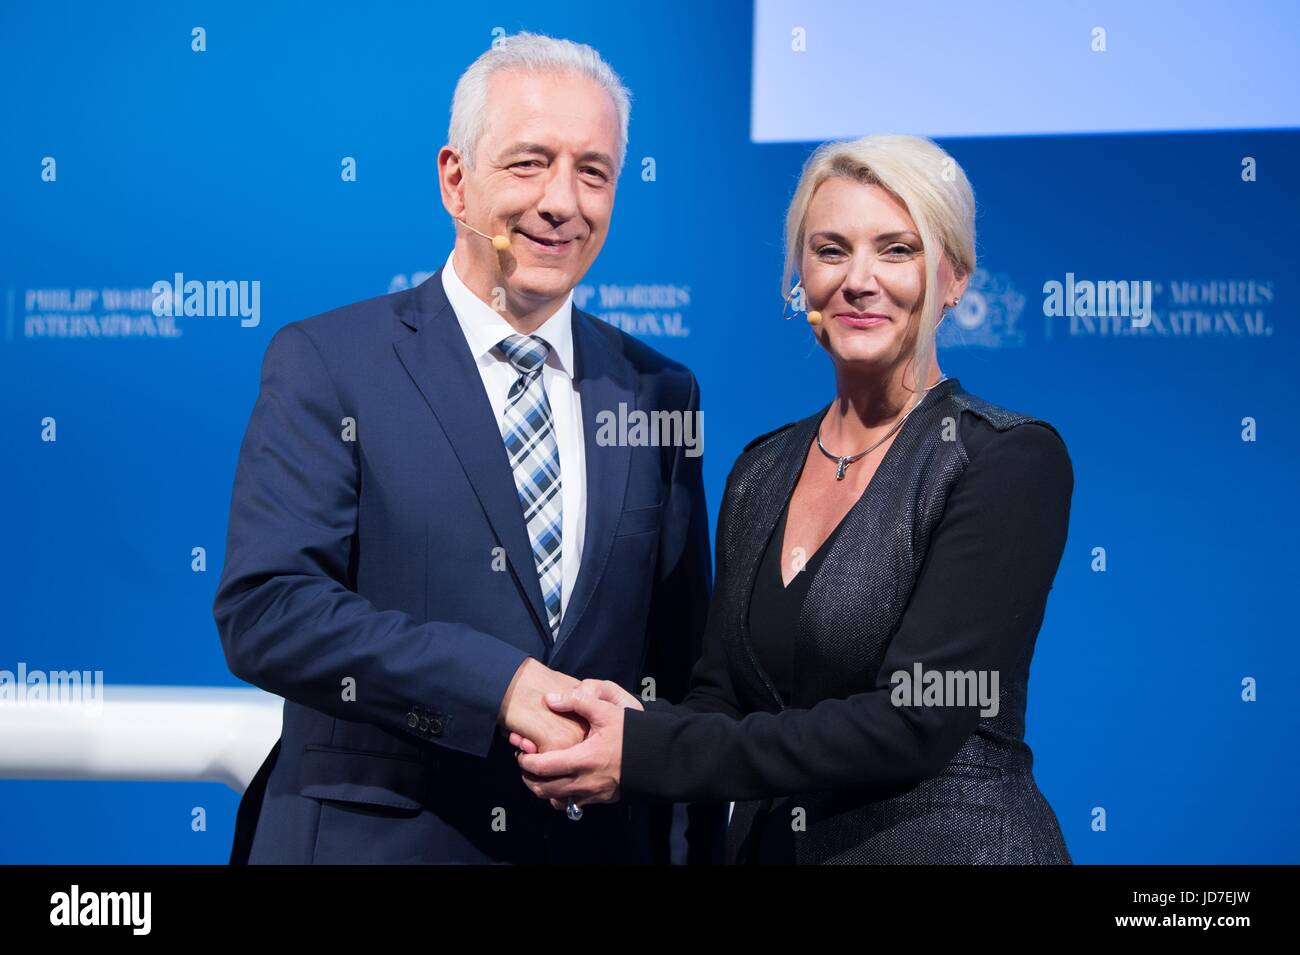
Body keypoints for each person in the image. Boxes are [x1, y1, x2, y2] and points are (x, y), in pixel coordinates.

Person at [213, 32, 723, 864]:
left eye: (592, 171)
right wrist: (500, 685)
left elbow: (681, 662)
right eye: (530, 163)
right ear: (456, 178)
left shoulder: (658, 390)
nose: (563, 200)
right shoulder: (329, 362)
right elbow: (267, 610)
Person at [513, 134, 1075, 864]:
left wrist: (654, 749)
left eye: (897, 250)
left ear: (957, 276)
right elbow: (719, 698)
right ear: (799, 278)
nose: (859, 281)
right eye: (831, 250)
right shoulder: (762, 469)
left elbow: (918, 718)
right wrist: (627, 724)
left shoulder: (1005, 459)